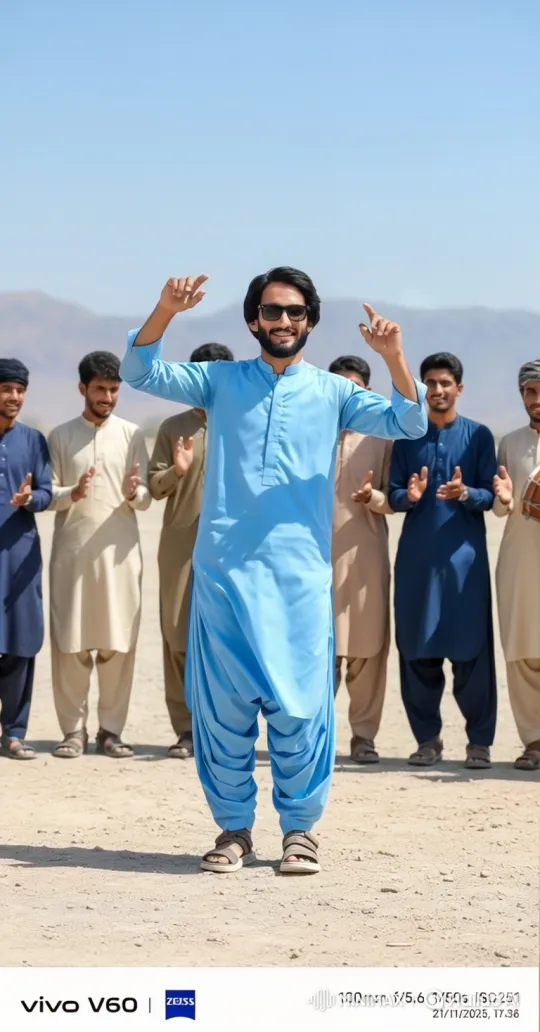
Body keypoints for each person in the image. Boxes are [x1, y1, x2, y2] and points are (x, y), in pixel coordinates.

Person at [120, 269, 427, 875]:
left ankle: (300, 832)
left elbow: (409, 422)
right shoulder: (221, 381)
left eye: (293, 312)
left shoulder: (333, 393)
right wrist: (164, 311)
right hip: (224, 578)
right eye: (270, 311)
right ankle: (233, 831)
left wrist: (393, 357)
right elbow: (139, 371)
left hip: (299, 581)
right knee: (223, 710)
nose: (282, 322)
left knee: (302, 710)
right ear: (253, 320)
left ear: (309, 319)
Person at [389, 352, 497, 769]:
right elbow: (394, 492)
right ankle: (427, 740)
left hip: (465, 564)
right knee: (417, 649)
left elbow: (489, 494)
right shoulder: (406, 438)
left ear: (459, 389)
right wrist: (408, 497)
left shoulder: (478, 436)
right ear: (422, 389)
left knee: (472, 648)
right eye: (430, 383)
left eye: (445, 383)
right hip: (417, 561)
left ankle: (479, 742)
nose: (437, 391)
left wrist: (467, 493)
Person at [47, 351, 151, 759]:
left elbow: (143, 498)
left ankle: (111, 731)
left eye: (113, 389)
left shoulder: (132, 434)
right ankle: (73, 732)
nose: (107, 396)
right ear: (82, 389)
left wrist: (133, 493)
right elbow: (48, 494)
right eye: (100, 389)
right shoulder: (60, 436)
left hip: (120, 559)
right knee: (70, 646)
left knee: (117, 646)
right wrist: (69, 493)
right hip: (71, 558)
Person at [148, 342, 234, 759]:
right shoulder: (172, 427)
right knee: (178, 635)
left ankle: (225, 730)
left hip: (235, 546)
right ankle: (186, 730)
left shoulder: (245, 422)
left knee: (228, 639)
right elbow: (153, 485)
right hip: (181, 544)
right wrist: (176, 471)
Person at [330, 354, 393, 763]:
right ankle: (312, 736)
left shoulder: (383, 438)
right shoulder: (308, 434)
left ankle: (363, 737)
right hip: (314, 560)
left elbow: (396, 498)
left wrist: (374, 498)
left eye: (354, 388)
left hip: (366, 555)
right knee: (319, 649)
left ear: (367, 392)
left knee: (367, 649)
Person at [0, 359, 52, 760]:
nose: (14, 397)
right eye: (7, 389)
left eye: (19, 390)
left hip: (20, 557)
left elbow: (47, 492)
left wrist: (29, 499)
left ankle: (15, 733)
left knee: (20, 643)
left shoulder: (34, 440)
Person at [492, 360, 540, 770]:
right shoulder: (509, 442)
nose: (536, 399)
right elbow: (500, 508)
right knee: (523, 651)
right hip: (520, 564)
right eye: (530, 391)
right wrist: (506, 498)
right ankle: (534, 741)